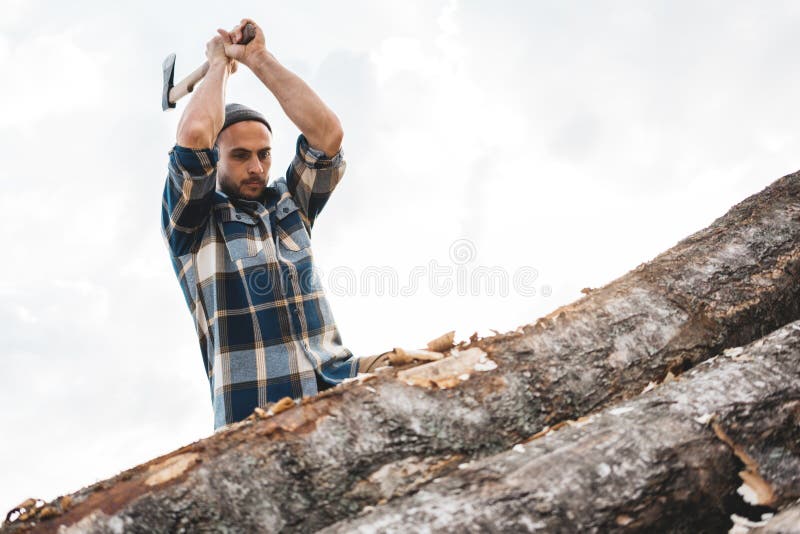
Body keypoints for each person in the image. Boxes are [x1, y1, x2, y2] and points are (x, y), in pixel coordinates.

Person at [161, 19, 387, 430]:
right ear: (216, 157)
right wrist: (216, 67)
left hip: (336, 381)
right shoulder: (193, 222)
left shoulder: (290, 202)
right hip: (259, 412)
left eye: (264, 154)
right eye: (240, 156)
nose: (256, 167)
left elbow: (328, 133)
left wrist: (257, 58)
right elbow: (195, 132)